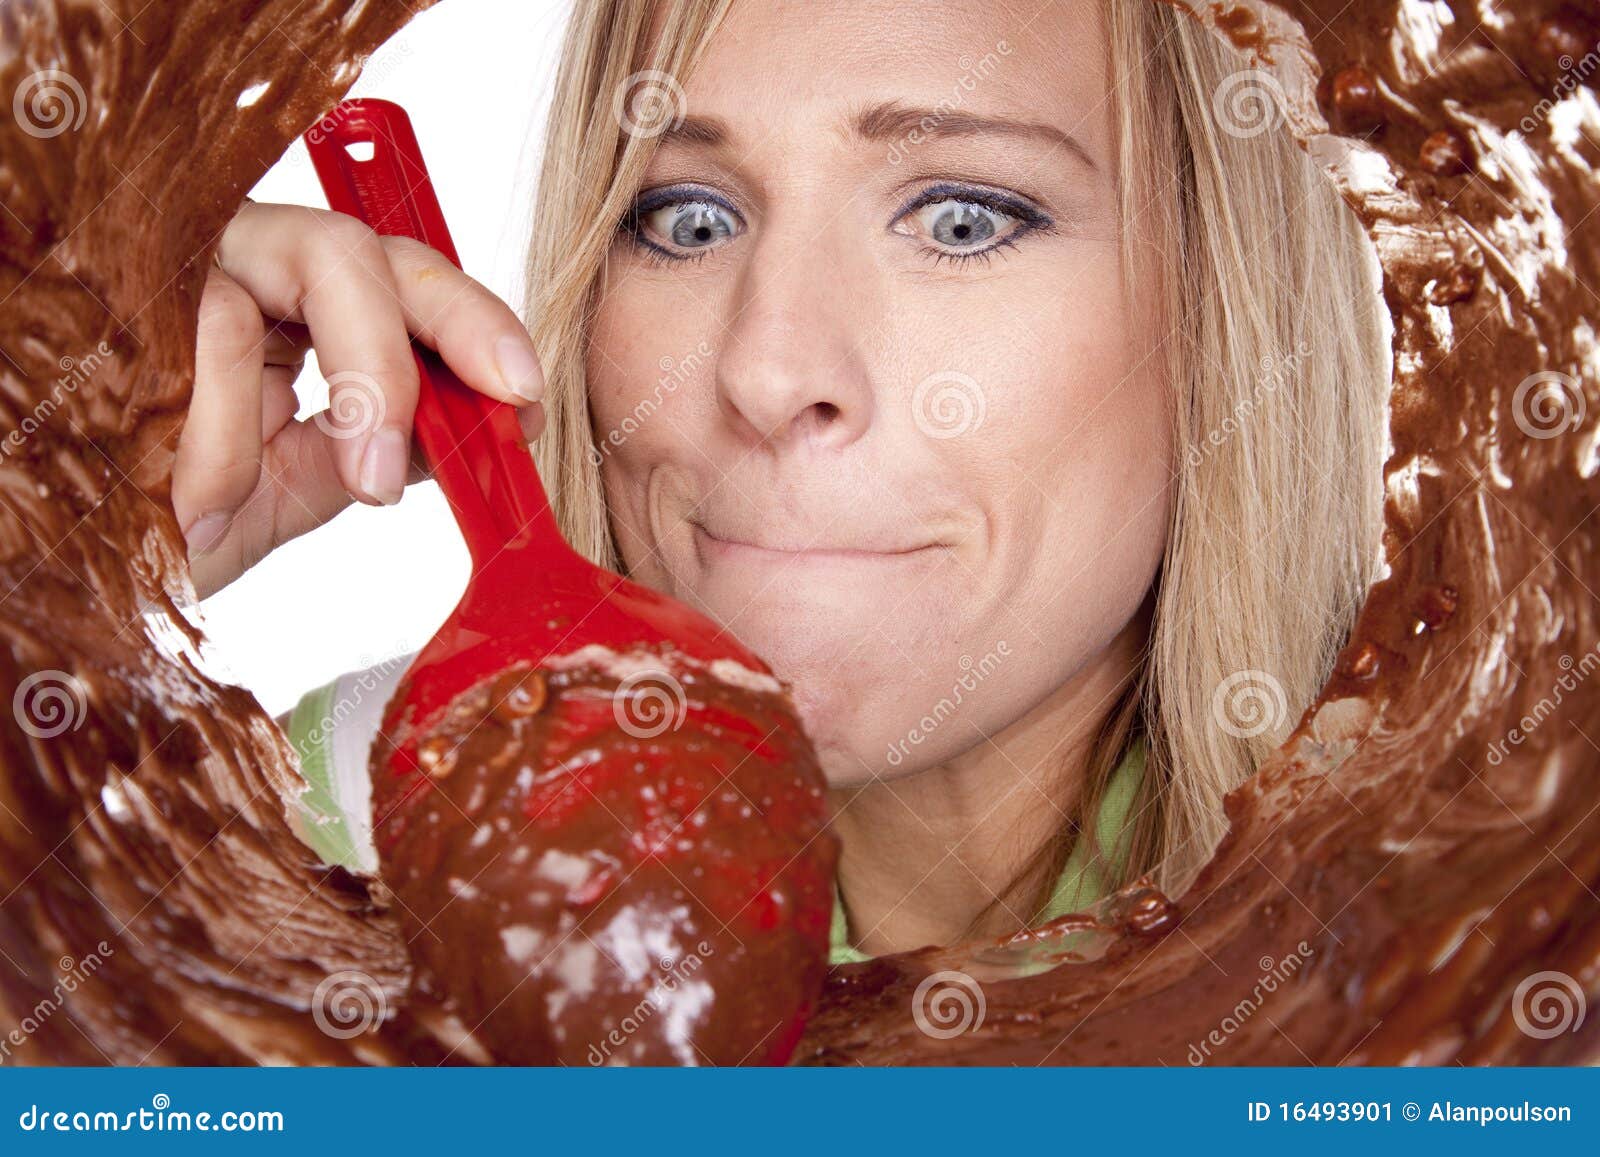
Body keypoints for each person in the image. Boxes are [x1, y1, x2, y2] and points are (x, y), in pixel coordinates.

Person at [176, 0, 1387, 965]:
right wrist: (64, 568)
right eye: (688, 219)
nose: (764, 368)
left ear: (1230, 311)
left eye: (964, 220)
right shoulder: (347, 822)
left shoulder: (1480, 936)